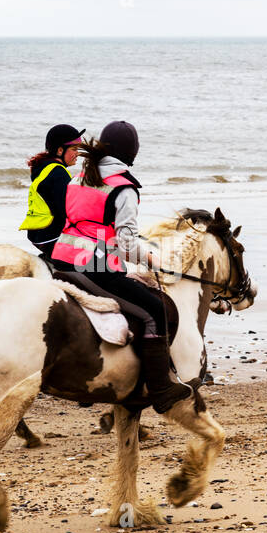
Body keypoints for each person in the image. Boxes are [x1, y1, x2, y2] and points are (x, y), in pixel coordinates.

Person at [50, 120, 193, 412]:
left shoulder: (78, 177)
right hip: (94, 267)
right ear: (132, 153)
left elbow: (88, 225)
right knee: (155, 311)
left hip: (61, 259)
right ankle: (160, 389)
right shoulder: (124, 188)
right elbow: (125, 245)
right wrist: (150, 258)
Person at [19, 124, 83, 259]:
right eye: (74, 149)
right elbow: (67, 212)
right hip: (52, 238)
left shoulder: (43, 169)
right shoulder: (59, 173)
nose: (78, 154)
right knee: (101, 246)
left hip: (37, 236)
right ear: (60, 150)